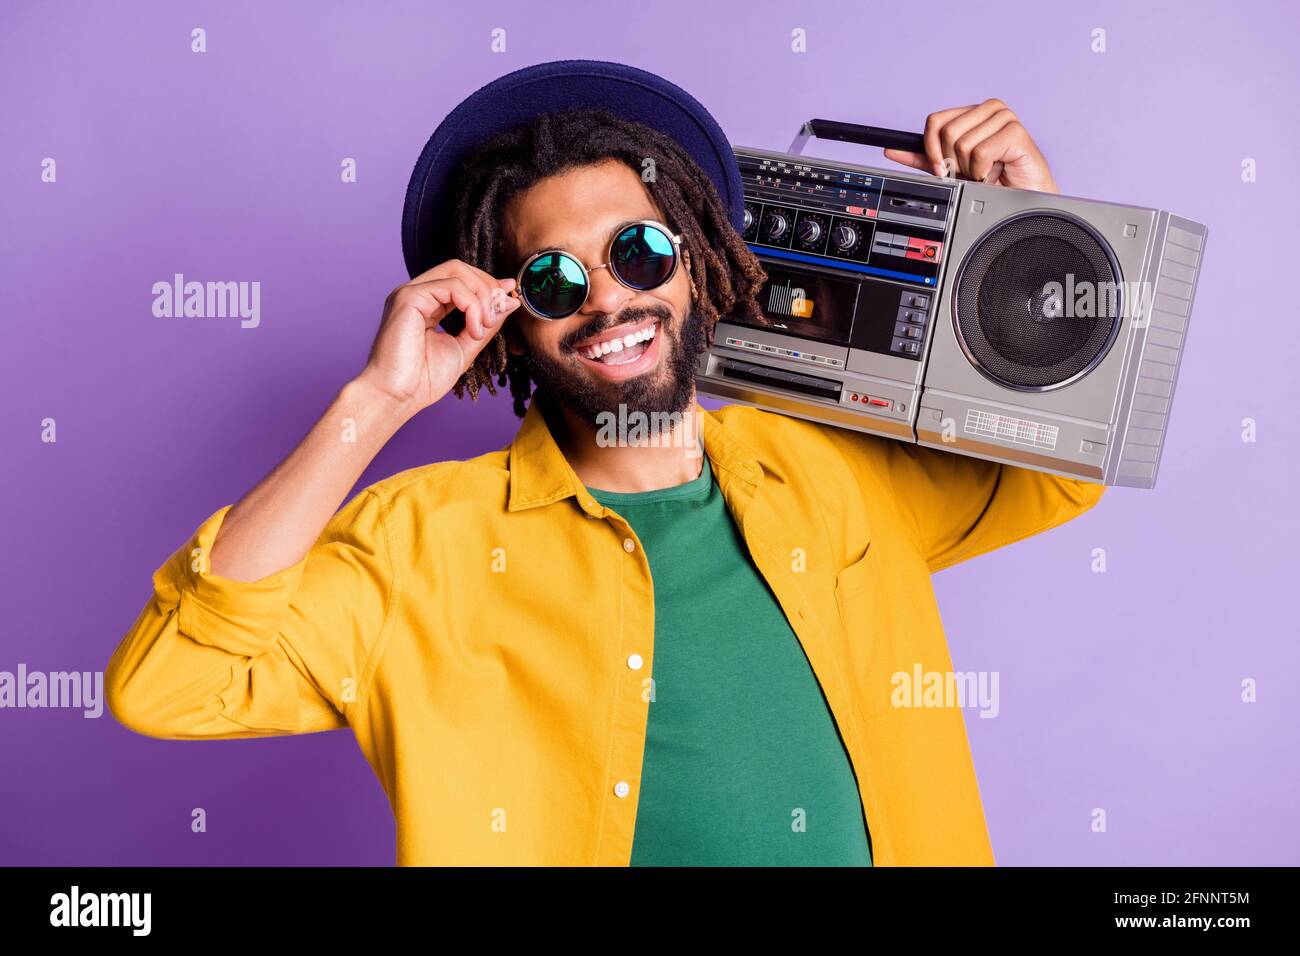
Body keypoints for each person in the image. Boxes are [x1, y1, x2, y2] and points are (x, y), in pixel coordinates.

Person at [106, 60, 1101, 866]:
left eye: (637, 251)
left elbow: (1060, 469)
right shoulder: (417, 547)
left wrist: (1026, 233)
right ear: (503, 317)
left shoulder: (828, 470)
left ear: (697, 259)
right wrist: (376, 404)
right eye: (554, 276)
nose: (607, 300)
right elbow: (171, 682)